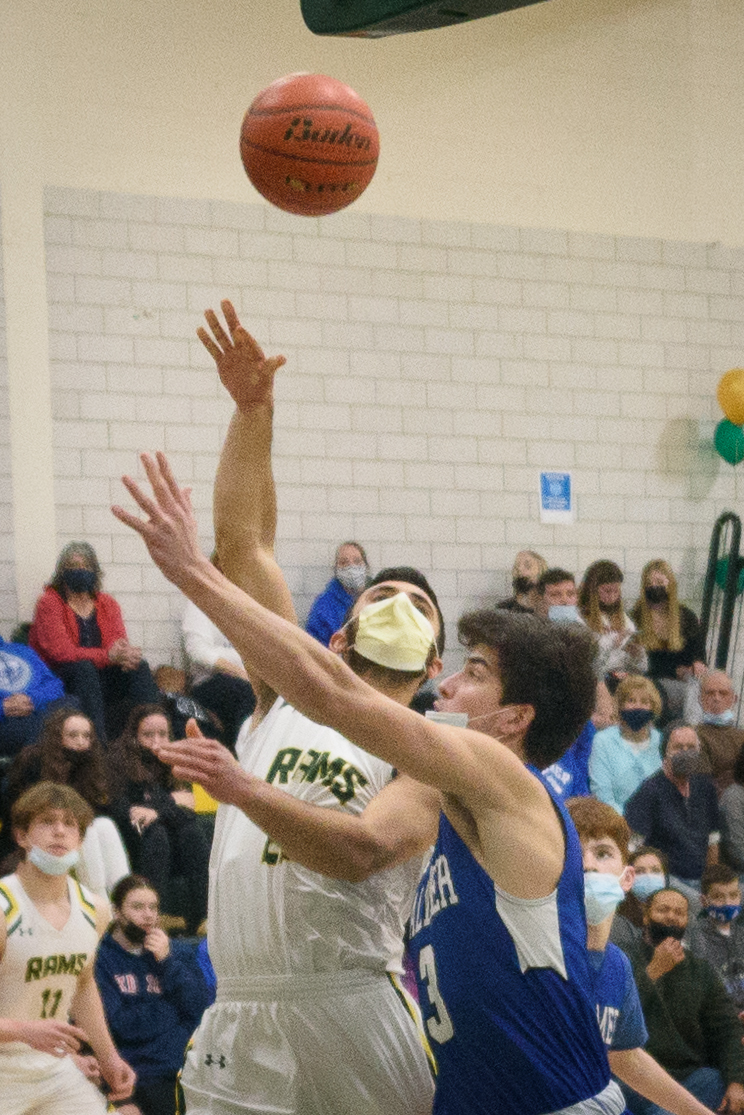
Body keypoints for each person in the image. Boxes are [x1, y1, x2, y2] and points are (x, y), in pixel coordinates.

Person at [114, 445, 626, 1115]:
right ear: (336, 636)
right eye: (382, 594)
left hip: (380, 1016)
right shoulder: (331, 712)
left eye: (469, 671)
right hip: (436, 1074)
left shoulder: (449, 765)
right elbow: (247, 549)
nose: (448, 684)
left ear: (513, 714)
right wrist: (254, 413)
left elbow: (356, 824)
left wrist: (189, 574)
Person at [566, 796, 717, 1115]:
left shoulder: (616, 965)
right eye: (572, 853)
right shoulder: (538, 953)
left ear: (627, 879)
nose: (588, 865)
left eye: (603, 853)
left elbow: (626, 1056)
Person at [0, 781, 135, 1114]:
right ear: (22, 836)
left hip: (54, 1068)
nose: (59, 831)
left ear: (81, 839)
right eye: (47, 822)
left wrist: (109, 1057)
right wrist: (22, 1030)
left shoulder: (95, 909)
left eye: (69, 823)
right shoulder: (5, 908)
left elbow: (83, 985)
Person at [95, 874, 211, 1115]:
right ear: (117, 912)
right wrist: (172, 1013)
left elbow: (198, 1008)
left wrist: (167, 962)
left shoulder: (174, 953)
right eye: (137, 907)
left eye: (153, 908)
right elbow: (118, 1024)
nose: (148, 915)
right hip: (126, 1073)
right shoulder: (101, 959)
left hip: (174, 1070)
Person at [626, 886, 744, 1115]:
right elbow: (612, 1017)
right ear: (646, 916)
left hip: (690, 1077)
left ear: (686, 922)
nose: (671, 916)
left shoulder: (701, 971)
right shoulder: (622, 958)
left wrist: (737, 1081)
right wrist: (652, 973)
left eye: (679, 912)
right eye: (663, 910)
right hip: (634, 1074)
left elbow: (727, 1030)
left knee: (714, 1078)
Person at [29, 542, 160, 744]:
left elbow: (117, 643)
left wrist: (126, 655)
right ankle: (98, 745)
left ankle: (156, 735)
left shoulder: (107, 603)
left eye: (87, 566)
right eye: (73, 566)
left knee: (139, 667)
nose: (81, 571)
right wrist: (107, 656)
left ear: (95, 572)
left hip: (101, 677)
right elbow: (61, 653)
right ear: (62, 573)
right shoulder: (49, 603)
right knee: (84, 668)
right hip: (63, 678)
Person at [3, 709, 130, 896]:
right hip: (31, 845)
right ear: (56, 736)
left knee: (105, 825)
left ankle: (123, 900)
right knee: (88, 832)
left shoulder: (95, 768)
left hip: (73, 842)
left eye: (86, 736)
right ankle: (99, 904)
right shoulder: (34, 762)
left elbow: (112, 809)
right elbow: (18, 814)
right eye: (73, 735)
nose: (80, 742)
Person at [108, 705, 209, 936]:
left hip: (174, 843)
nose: (156, 741)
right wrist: (170, 804)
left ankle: (203, 915)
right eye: (148, 735)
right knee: (158, 832)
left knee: (191, 831)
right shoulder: (118, 760)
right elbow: (126, 812)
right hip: (136, 841)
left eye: (162, 734)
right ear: (134, 736)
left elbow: (188, 807)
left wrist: (158, 810)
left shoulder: (176, 761)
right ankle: (155, 912)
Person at [625, 722, 720, 896]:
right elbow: (633, 848)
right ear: (664, 753)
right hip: (667, 880)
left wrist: (711, 885)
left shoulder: (705, 787)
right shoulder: (649, 792)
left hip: (702, 880)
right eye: (678, 747)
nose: (686, 752)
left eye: (691, 747)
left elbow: (713, 841)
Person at [630, 561, 706, 721]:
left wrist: (696, 665)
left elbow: (699, 656)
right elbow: (641, 662)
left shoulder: (687, 617)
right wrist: (675, 670)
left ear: (670, 583)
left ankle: (690, 732)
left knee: (697, 689)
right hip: (648, 680)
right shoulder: (635, 616)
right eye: (649, 583)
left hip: (681, 684)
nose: (654, 586)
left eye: (659, 582)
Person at [182, 593, 256, 749]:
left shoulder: (249, 605)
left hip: (249, 681)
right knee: (244, 692)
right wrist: (240, 672)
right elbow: (198, 652)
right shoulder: (199, 603)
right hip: (210, 682)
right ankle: (243, 755)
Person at [588, 676, 663, 814]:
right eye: (631, 701)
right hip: (616, 822)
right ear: (620, 706)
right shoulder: (603, 741)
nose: (638, 706)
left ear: (653, 707)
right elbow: (602, 795)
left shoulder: (662, 741)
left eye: (644, 702)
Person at [578, 560, 648, 687]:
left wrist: (638, 655)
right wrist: (612, 644)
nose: (612, 596)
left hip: (623, 677)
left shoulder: (623, 618)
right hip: (596, 680)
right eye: (607, 591)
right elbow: (589, 664)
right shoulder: (581, 618)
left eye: (616, 591)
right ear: (592, 590)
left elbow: (640, 669)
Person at [688, 863, 744, 1013]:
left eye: (733, 895)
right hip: (719, 1019)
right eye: (718, 897)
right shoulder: (695, 936)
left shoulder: (741, 934)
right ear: (704, 901)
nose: (728, 903)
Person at [0, 634, 67, 759]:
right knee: (49, 729)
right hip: (5, 721)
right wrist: (2, 707)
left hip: (36, 710)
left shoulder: (21, 650)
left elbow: (55, 685)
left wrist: (31, 699)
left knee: (70, 704)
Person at [305, 541, 370, 647]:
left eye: (357, 561)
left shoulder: (379, 598)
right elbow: (314, 649)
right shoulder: (323, 607)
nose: (351, 567)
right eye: (344, 563)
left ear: (366, 566)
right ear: (336, 570)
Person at [611, 847, 670, 953]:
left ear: (665, 877)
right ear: (628, 878)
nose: (649, 877)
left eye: (655, 871)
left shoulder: (679, 915)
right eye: (640, 872)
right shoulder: (617, 920)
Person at [696, 671, 744, 794]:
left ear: (734, 699)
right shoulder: (693, 735)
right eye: (710, 693)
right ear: (700, 698)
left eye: (723, 693)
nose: (716, 698)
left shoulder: (741, 736)